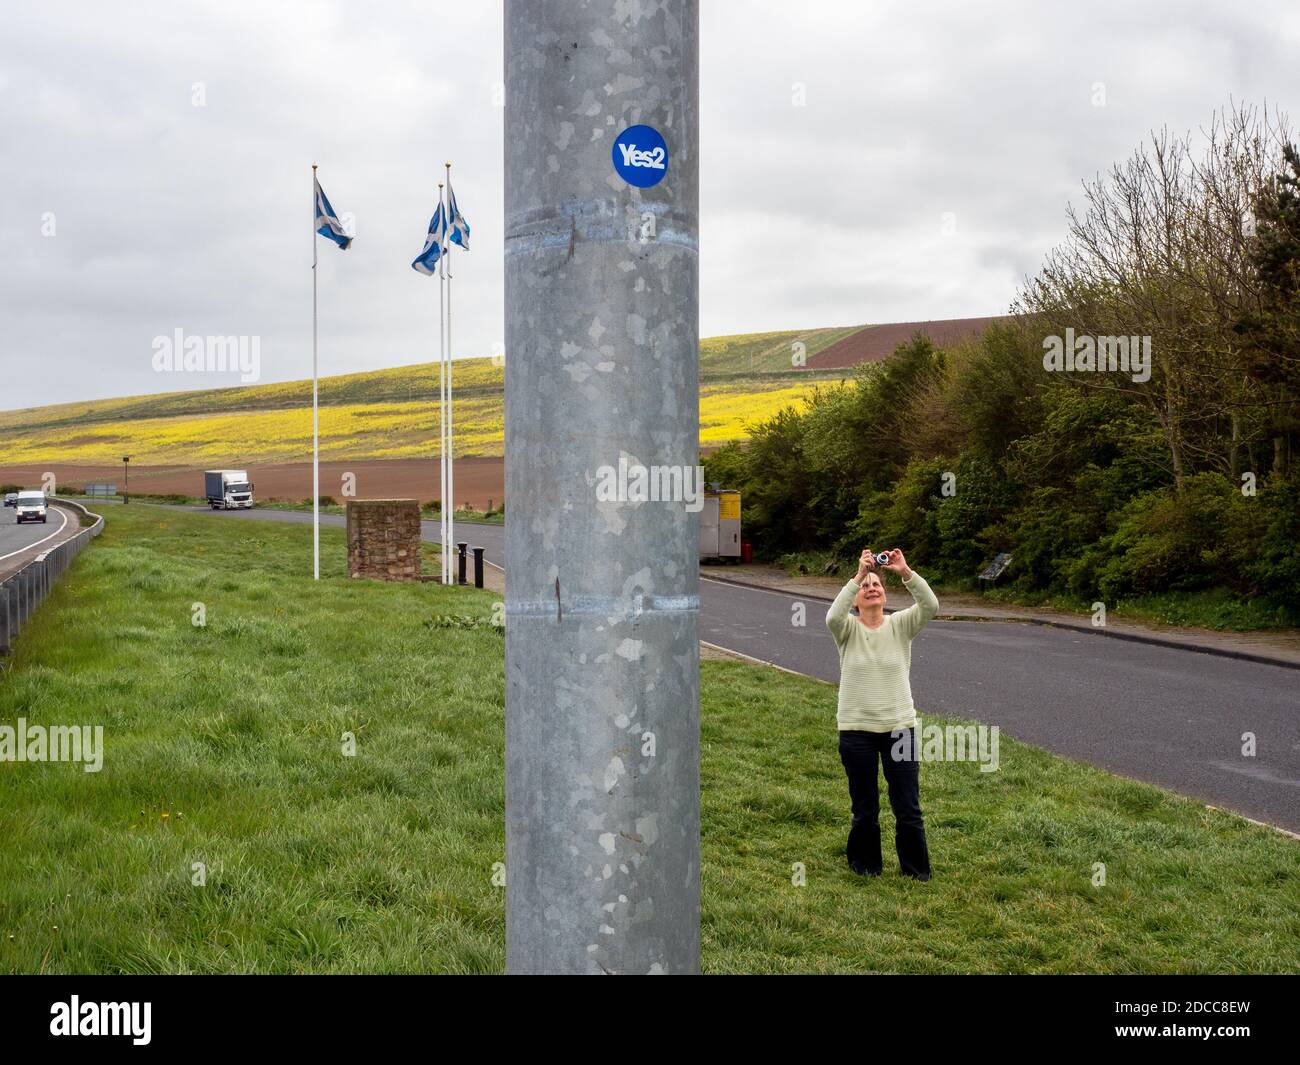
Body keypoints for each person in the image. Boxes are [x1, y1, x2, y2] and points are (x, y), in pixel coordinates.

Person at [825, 547, 939, 880]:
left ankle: (915, 871)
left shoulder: (900, 624)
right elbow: (832, 617)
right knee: (865, 807)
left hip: (899, 729)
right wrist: (859, 573)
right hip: (856, 730)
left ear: (885, 595)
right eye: (866, 586)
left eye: (877, 584)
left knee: (908, 807)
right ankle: (865, 866)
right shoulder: (847, 629)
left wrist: (905, 572)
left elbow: (930, 606)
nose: (872, 588)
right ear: (856, 600)